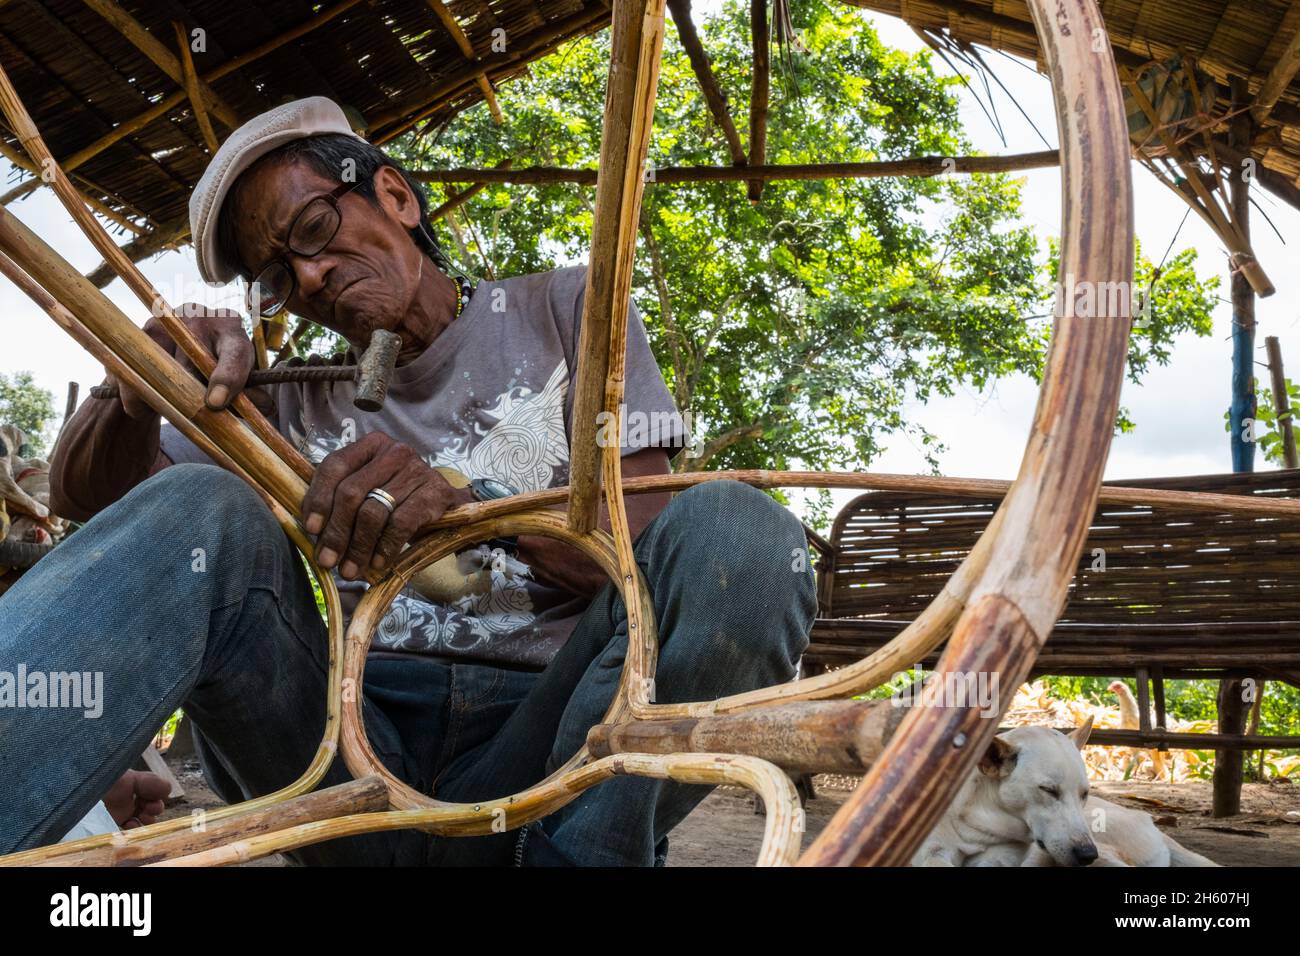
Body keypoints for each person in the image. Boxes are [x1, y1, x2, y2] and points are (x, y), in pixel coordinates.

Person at [0, 97, 816, 865]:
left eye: (314, 228)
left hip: (558, 745)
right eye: (279, 276)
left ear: (394, 195)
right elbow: (83, 498)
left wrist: (472, 512)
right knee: (197, 506)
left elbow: (641, 556)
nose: (310, 279)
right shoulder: (279, 402)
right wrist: (143, 383)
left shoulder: (570, 309)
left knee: (741, 533)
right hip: (344, 754)